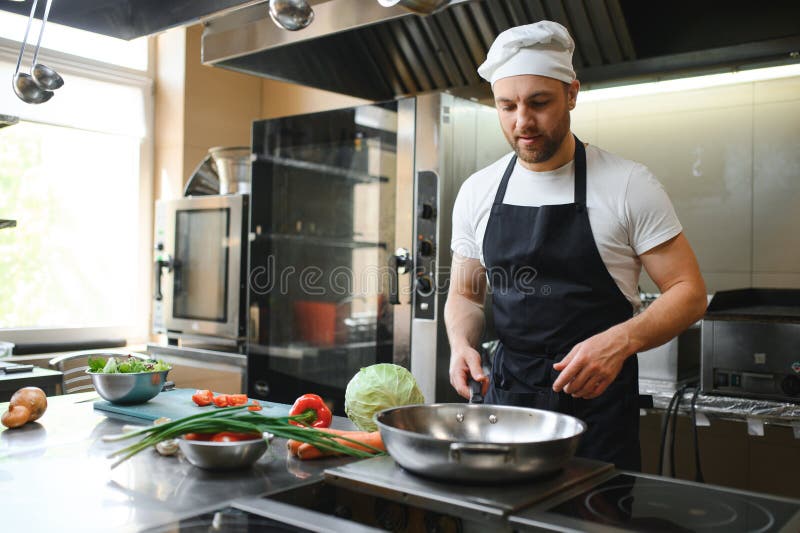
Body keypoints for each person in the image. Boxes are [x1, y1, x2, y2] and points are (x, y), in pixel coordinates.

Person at [444, 20, 707, 470]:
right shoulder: (478, 190)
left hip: (597, 408)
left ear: (572, 93)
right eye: (506, 106)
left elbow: (689, 292)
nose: (522, 121)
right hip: (508, 401)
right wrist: (460, 343)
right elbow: (466, 293)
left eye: (539, 103)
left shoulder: (627, 184)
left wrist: (620, 341)